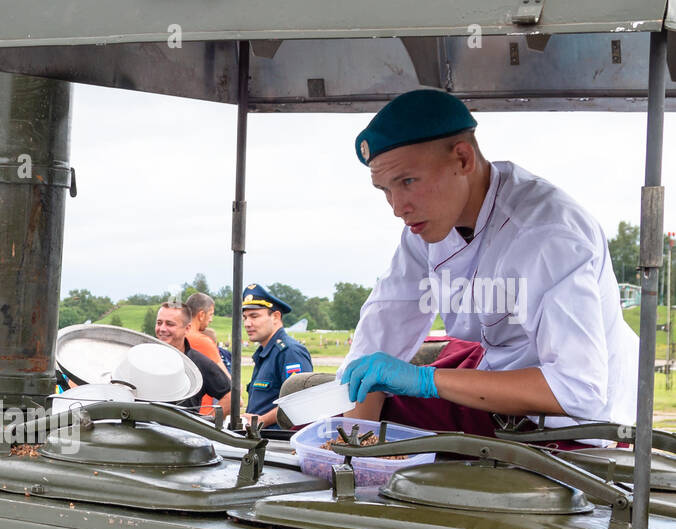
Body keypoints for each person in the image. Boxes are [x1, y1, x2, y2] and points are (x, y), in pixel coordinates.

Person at [341, 88, 639, 437]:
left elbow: (578, 389)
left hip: (570, 425)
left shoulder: (547, 234)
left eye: (408, 181)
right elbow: (383, 326)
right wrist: (353, 441)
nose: (397, 207)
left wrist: (425, 380)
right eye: (386, 190)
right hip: (491, 381)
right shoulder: (423, 228)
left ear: (463, 159)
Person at [241, 283, 312, 427]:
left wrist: (262, 420)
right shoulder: (265, 353)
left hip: (279, 443)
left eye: (254, 316)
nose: (247, 323)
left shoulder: (289, 352)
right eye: (245, 317)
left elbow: (299, 402)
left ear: (275, 316)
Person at [153, 302, 232, 414]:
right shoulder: (144, 357)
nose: (162, 329)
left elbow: (230, 397)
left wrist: (208, 423)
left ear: (187, 328)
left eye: (170, 324)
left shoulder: (198, 363)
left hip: (181, 431)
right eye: (159, 323)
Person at [183, 292, 226, 415]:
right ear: (201, 315)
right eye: (211, 314)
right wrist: (210, 419)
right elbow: (230, 389)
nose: (211, 320)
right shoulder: (203, 342)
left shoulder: (177, 337)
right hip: (201, 413)